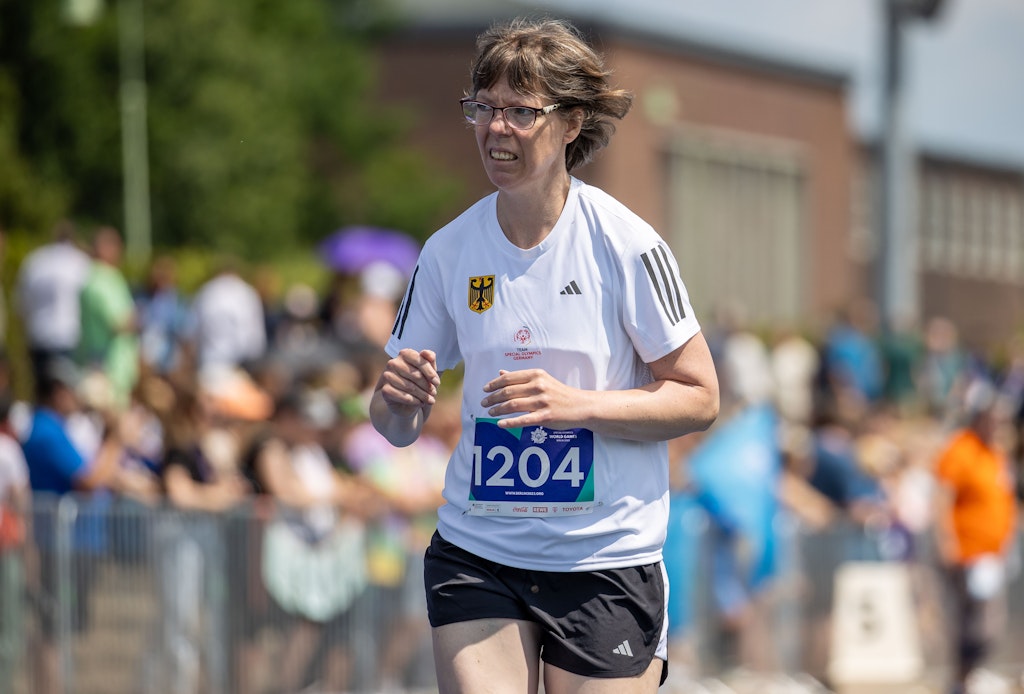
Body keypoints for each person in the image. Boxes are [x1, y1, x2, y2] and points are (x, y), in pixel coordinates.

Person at [370, 17, 719, 694]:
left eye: (521, 112)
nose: (496, 128)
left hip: (604, 558)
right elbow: (394, 426)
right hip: (479, 549)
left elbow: (700, 397)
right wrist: (396, 402)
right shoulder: (447, 251)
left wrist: (575, 406)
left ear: (570, 124)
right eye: (484, 108)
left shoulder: (626, 245)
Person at [933, 378, 1017, 694]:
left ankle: (970, 675)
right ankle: (965, 677)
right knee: (979, 623)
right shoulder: (961, 449)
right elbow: (942, 498)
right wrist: (947, 540)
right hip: (968, 551)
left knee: (988, 620)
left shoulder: (994, 453)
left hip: (992, 552)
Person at [14, 220, 92, 389]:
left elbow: (21, 304)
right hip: (69, 338)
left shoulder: (35, 260)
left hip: (39, 336)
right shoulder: (80, 262)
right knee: (65, 392)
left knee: (42, 391)